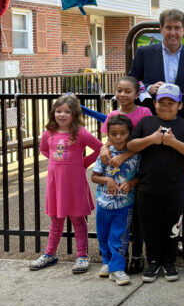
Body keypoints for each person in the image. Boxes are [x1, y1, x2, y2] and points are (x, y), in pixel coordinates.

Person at [128, 83, 184, 283]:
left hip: (174, 187)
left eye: (171, 103)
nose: (166, 106)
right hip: (147, 186)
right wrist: (151, 139)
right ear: (154, 103)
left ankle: (169, 261)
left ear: (180, 105)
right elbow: (131, 145)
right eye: (161, 102)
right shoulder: (147, 123)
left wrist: (173, 143)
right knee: (149, 226)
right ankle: (153, 261)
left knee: (172, 226)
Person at [30, 94, 102, 274]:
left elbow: (101, 148)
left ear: (74, 114)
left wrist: (83, 163)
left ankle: (82, 256)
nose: (62, 115)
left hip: (74, 183)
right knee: (55, 219)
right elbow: (44, 150)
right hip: (56, 183)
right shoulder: (49, 133)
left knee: (78, 219)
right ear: (53, 113)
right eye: (59, 111)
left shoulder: (81, 133)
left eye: (67, 112)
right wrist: (57, 163)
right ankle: (50, 254)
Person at [98, 75, 153, 274]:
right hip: (118, 172)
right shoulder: (113, 114)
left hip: (138, 168)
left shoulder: (144, 112)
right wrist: (104, 147)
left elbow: (147, 141)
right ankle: (120, 256)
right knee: (121, 216)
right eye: (119, 90)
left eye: (128, 91)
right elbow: (109, 139)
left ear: (137, 94)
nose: (122, 94)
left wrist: (124, 156)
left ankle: (137, 254)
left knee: (138, 215)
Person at [129, 8, 184, 133]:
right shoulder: (144, 54)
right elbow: (132, 83)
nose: (173, 32)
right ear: (161, 29)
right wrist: (148, 88)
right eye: (168, 27)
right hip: (151, 122)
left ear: (183, 30)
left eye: (177, 28)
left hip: (183, 124)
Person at [92, 115, 140, 286]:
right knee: (103, 235)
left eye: (123, 133)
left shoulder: (136, 155)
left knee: (119, 236)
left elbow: (141, 176)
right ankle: (107, 262)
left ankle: (117, 268)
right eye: (113, 134)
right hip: (103, 203)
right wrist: (107, 179)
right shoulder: (104, 154)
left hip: (124, 204)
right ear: (108, 135)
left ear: (129, 133)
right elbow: (94, 177)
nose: (118, 137)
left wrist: (131, 183)